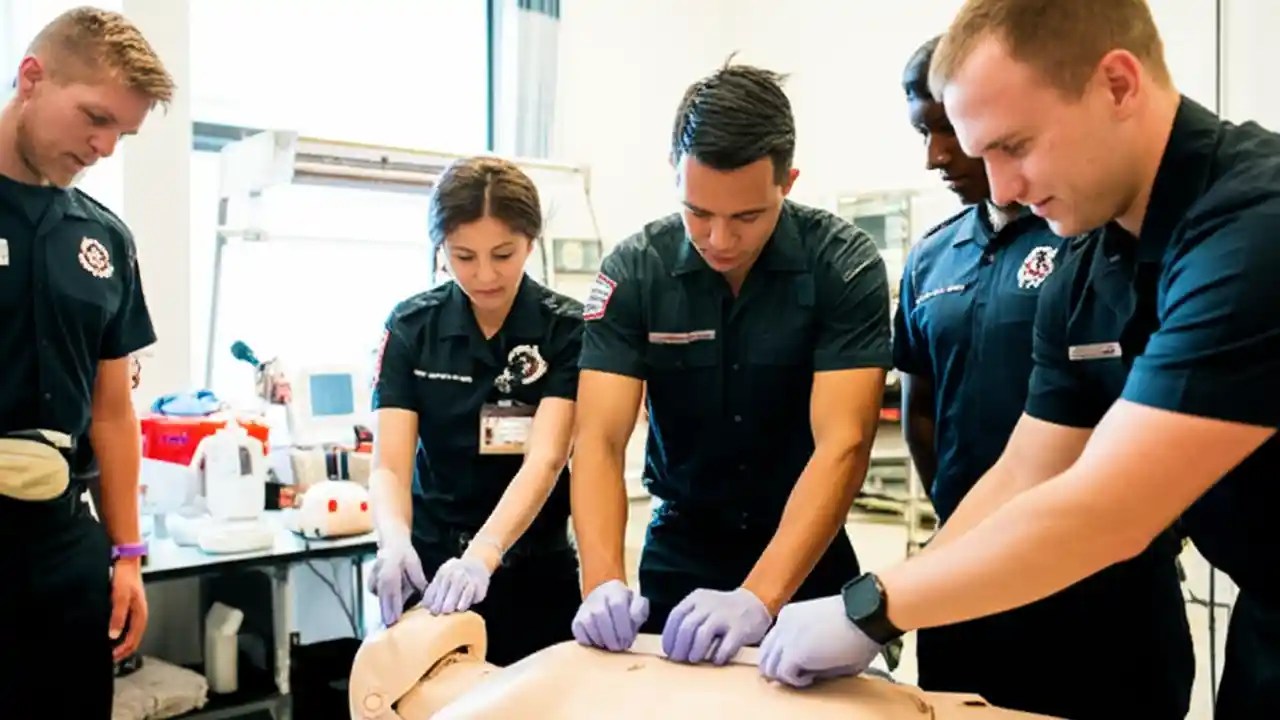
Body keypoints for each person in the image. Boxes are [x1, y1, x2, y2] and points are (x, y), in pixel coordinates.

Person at [760, 1, 1280, 714]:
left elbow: (1111, 509)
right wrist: (882, 597)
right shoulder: (1088, 264)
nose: (1002, 189)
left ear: (1118, 85)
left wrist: (875, 609)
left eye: (1016, 146)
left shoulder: (1255, 231)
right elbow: (1025, 470)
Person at [892, 35, 1192, 719]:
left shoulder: (1102, 241)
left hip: (1106, 584)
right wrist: (933, 560)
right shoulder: (933, 259)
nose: (937, 155)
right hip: (970, 570)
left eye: (954, 131)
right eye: (924, 133)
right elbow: (931, 418)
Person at [569, 59, 892, 666]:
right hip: (682, 545)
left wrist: (759, 597)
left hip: (806, 546)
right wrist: (602, 582)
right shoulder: (636, 271)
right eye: (697, 212)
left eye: (746, 216)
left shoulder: (842, 264)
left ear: (787, 182)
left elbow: (843, 444)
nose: (719, 239)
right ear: (674, 173)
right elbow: (599, 441)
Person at [0, 8, 171, 718]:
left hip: (64, 545)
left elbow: (113, 411)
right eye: (94, 118)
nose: (102, 147)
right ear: (31, 78)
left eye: (120, 134)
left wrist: (127, 553)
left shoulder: (104, 240)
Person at [367, 156, 584, 667]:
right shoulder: (412, 327)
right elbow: (390, 465)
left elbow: (546, 459)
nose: (484, 275)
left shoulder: (566, 330)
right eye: (463, 256)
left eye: (503, 254)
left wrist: (483, 556)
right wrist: (393, 541)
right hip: (432, 568)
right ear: (440, 249)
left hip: (532, 570)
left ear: (531, 242)